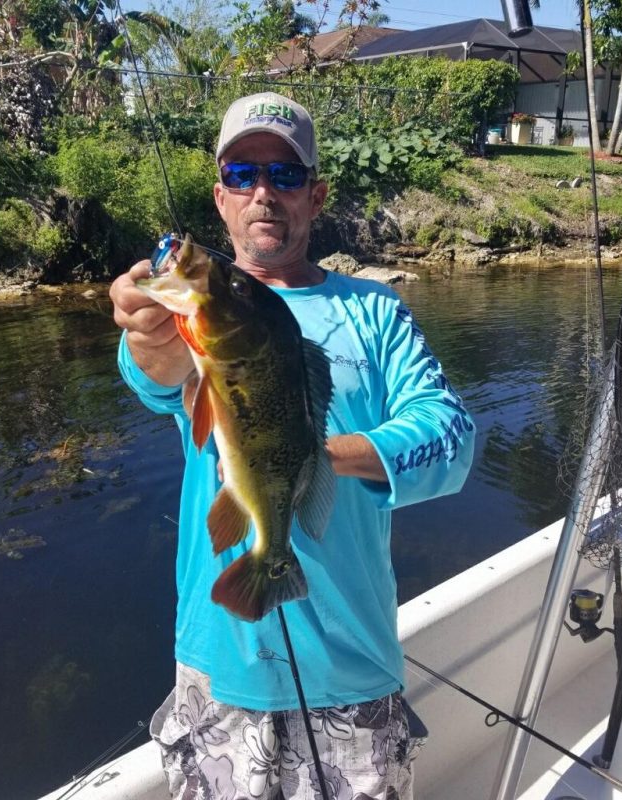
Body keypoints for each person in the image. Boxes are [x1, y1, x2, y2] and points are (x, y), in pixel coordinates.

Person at [109, 92, 475, 800]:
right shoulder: (193, 323)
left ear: (316, 194)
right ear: (220, 197)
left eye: (284, 175)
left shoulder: (375, 311)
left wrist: (312, 457)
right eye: (244, 175)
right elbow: (157, 371)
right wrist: (146, 328)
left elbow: (451, 437)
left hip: (352, 672)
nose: (263, 194)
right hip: (219, 677)